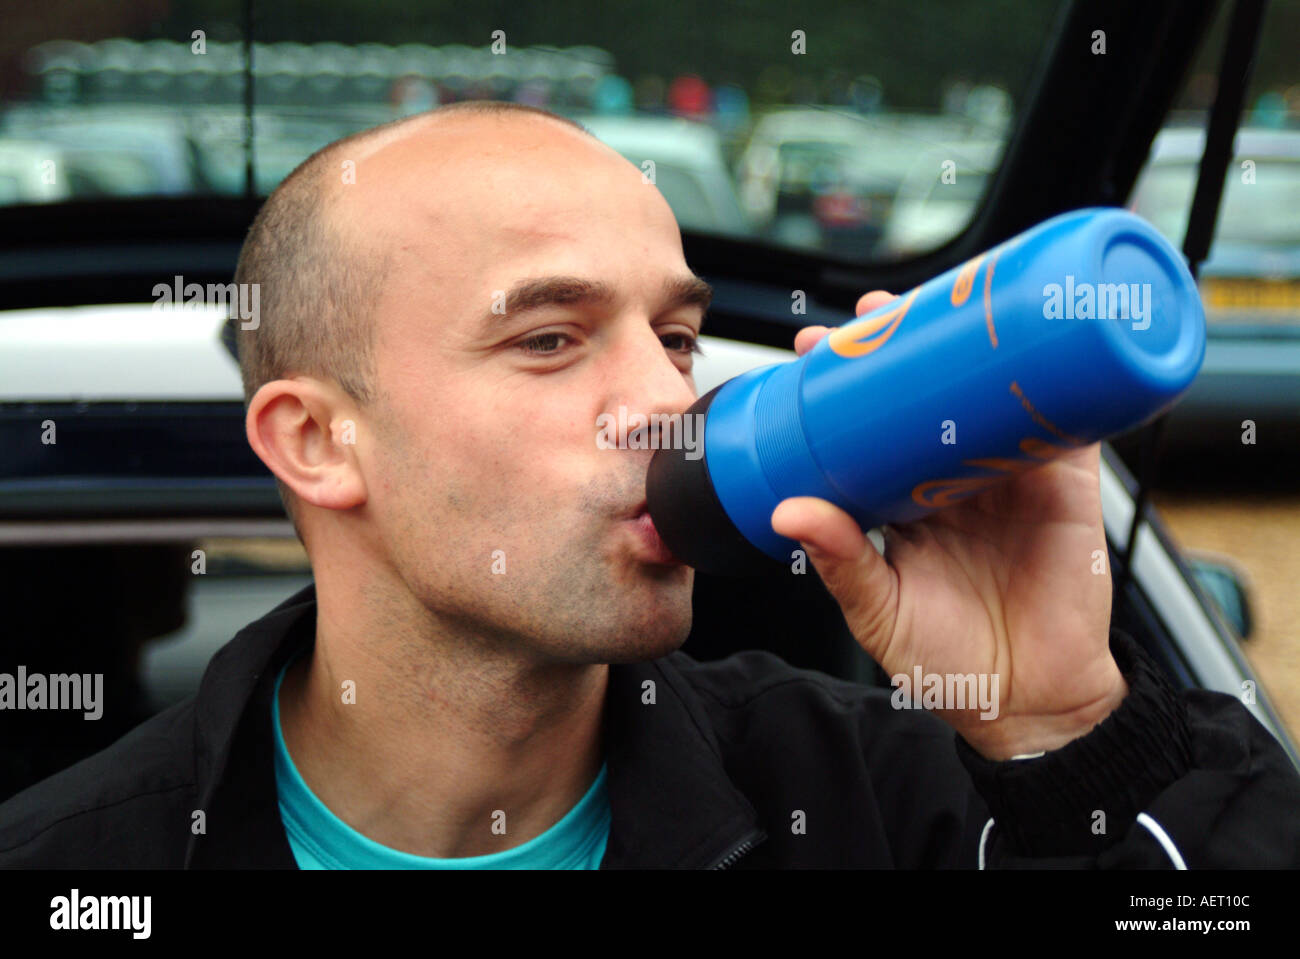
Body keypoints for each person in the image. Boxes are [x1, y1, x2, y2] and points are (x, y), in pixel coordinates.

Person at [1, 101, 1297, 868]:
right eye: (550, 340)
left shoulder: (886, 807)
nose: (673, 401)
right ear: (318, 443)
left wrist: (1070, 735)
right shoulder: (78, 861)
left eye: (676, 339)